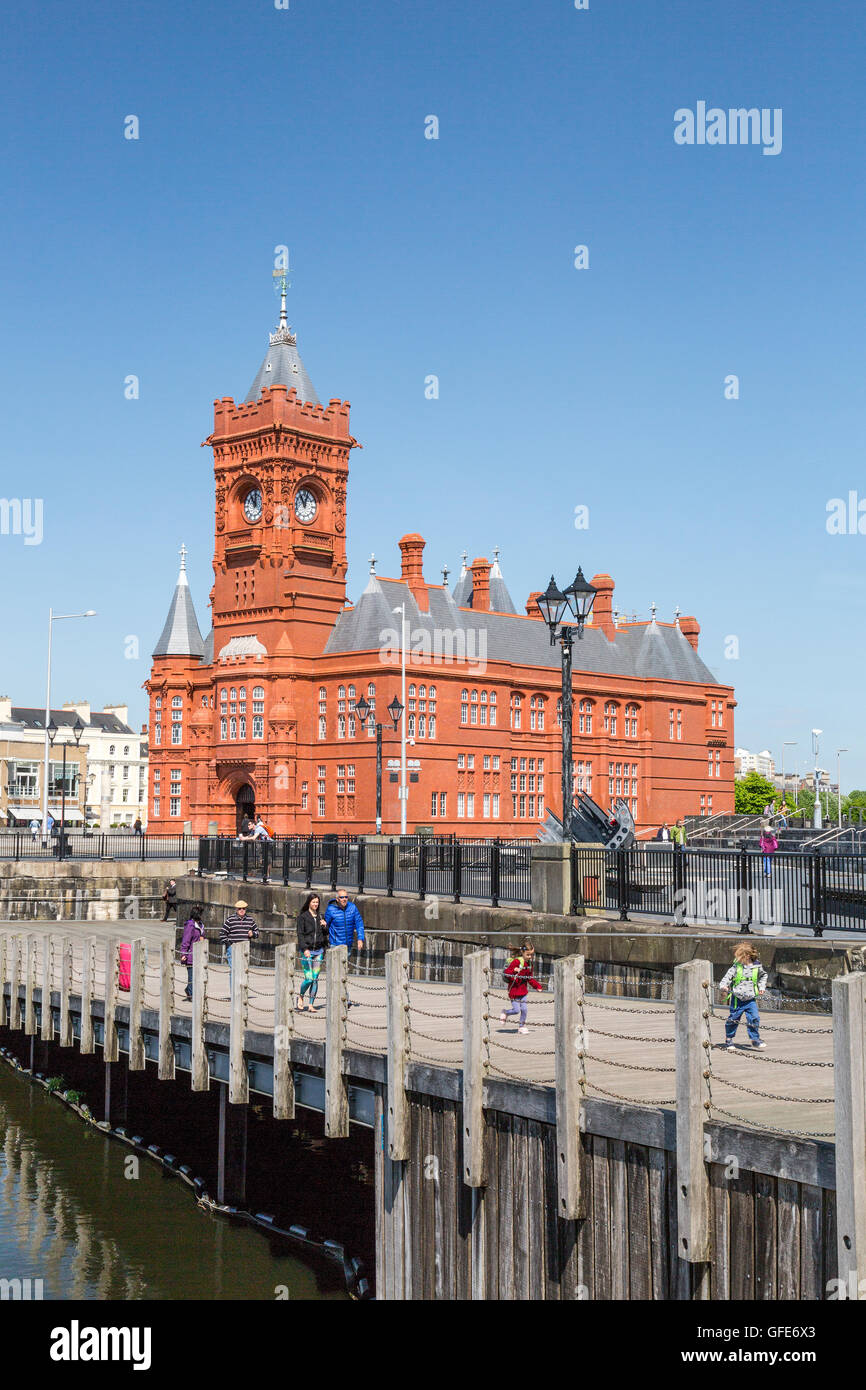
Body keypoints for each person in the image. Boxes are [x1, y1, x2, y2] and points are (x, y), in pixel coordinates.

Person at [719, 943, 768, 1050]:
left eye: (739, 957)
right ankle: (729, 1039)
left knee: (754, 1018)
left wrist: (762, 986)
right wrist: (723, 986)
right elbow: (727, 977)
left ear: (747, 956)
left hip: (750, 999)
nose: (737, 959)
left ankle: (755, 1039)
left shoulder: (757, 967)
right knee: (733, 1019)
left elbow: (764, 976)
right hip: (737, 999)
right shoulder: (736, 967)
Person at [325, 889, 366, 1006]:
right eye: (342, 897)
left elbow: (359, 923)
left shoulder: (352, 908)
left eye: (346, 897)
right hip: (335, 945)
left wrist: (360, 938)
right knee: (336, 973)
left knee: (343, 973)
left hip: (347, 945)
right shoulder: (331, 909)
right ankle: (342, 998)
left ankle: (342, 997)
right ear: (337, 899)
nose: (344, 899)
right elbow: (325, 927)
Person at [500, 939, 543, 1035]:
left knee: (524, 1010)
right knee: (516, 1010)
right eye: (528, 954)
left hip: (523, 991)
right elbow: (506, 973)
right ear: (522, 952)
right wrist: (514, 970)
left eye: (532, 955)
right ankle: (506, 1012)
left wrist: (537, 986)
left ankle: (521, 1027)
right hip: (514, 991)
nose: (530, 957)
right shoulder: (516, 961)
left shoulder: (530, 964)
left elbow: (529, 978)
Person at [296, 892, 327, 1010]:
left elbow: (325, 934)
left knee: (315, 978)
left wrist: (325, 926)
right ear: (309, 902)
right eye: (313, 902)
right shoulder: (302, 917)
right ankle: (301, 996)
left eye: (317, 902)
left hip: (319, 951)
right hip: (307, 951)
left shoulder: (321, 916)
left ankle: (311, 1004)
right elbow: (300, 935)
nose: (315, 904)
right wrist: (304, 949)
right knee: (308, 979)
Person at [221, 898, 258, 988]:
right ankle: (233, 992)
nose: (241, 910)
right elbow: (222, 934)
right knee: (234, 970)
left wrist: (252, 934)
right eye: (239, 908)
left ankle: (241, 991)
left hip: (244, 950)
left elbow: (257, 932)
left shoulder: (250, 920)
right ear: (236, 909)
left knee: (243, 970)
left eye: (243, 908)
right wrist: (229, 945)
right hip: (232, 948)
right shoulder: (230, 920)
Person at [180, 907, 206, 1001]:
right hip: (191, 955)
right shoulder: (190, 925)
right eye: (200, 914)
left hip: (199, 955)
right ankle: (191, 995)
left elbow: (202, 936)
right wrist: (184, 954)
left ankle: (188, 990)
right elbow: (186, 940)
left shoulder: (200, 925)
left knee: (197, 976)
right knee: (192, 976)